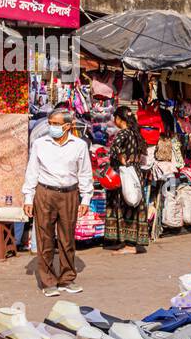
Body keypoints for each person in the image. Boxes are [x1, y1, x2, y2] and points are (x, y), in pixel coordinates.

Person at [22, 107, 92, 297]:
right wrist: (28, 197)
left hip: (69, 195)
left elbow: (85, 173)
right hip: (44, 193)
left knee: (67, 238)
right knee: (44, 238)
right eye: (50, 123)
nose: (52, 127)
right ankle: (48, 281)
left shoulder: (79, 145)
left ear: (68, 126)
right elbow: (32, 172)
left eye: (56, 124)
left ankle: (67, 278)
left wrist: (86, 198)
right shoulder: (40, 144)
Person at [103, 106, 150, 256]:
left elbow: (115, 149)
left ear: (118, 118)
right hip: (135, 174)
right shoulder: (135, 133)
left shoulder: (123, 133)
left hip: (125, 176)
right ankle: (127, 242)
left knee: (127, 206)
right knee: (132, 205)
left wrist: (122, 159)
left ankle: (129, 245)